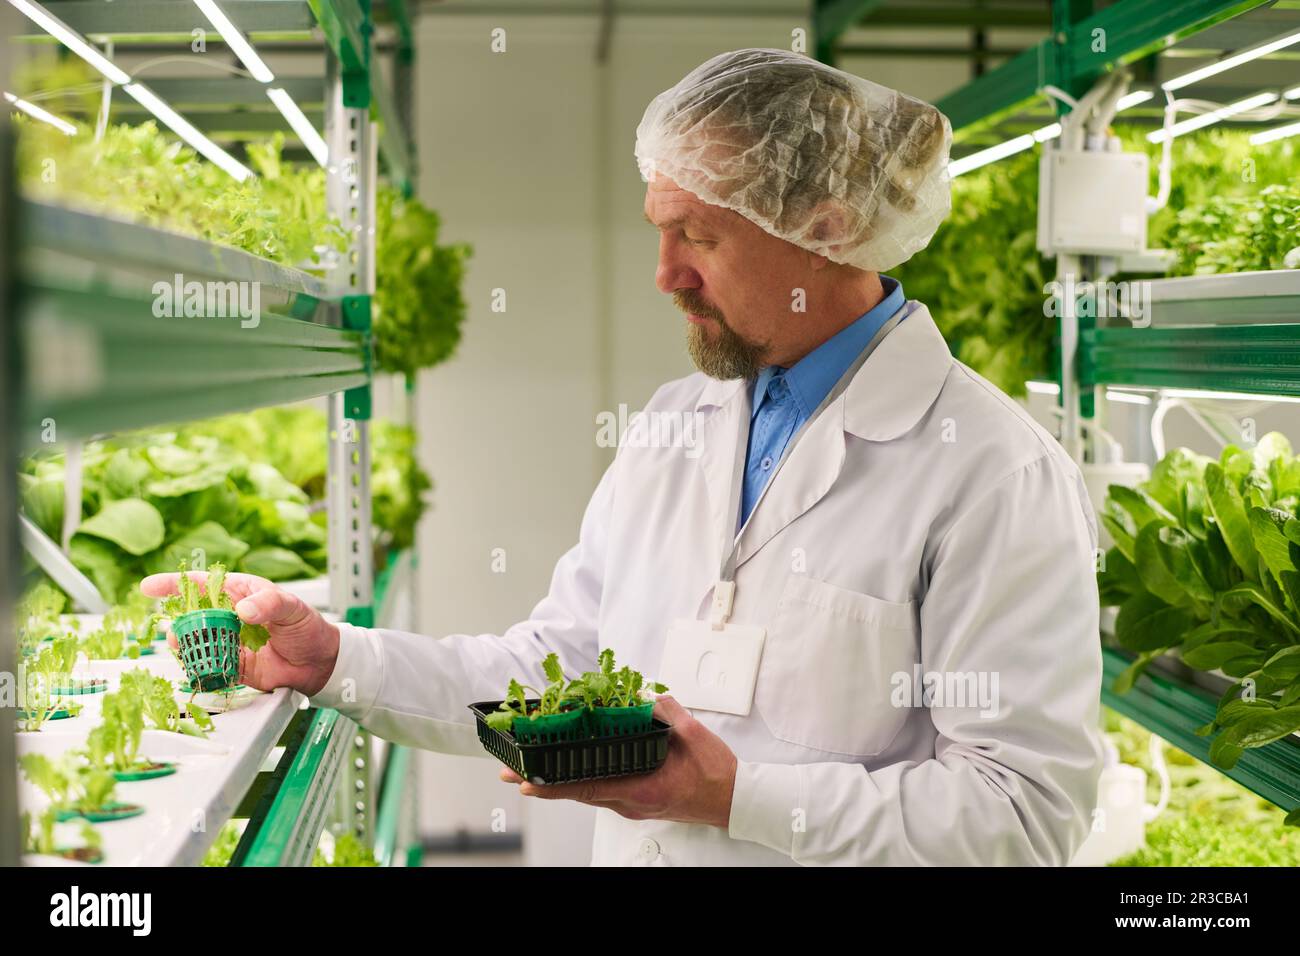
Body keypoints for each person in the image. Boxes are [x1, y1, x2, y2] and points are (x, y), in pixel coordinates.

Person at [144, 49, 1103, 866]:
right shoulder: (678, 422)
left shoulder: (988, 472)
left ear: (827, 229)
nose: (666, 275)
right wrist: (336, 660)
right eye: (660, 229)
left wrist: (735, 796)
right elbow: (554, 667)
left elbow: (1026, 817)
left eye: (700, 236)